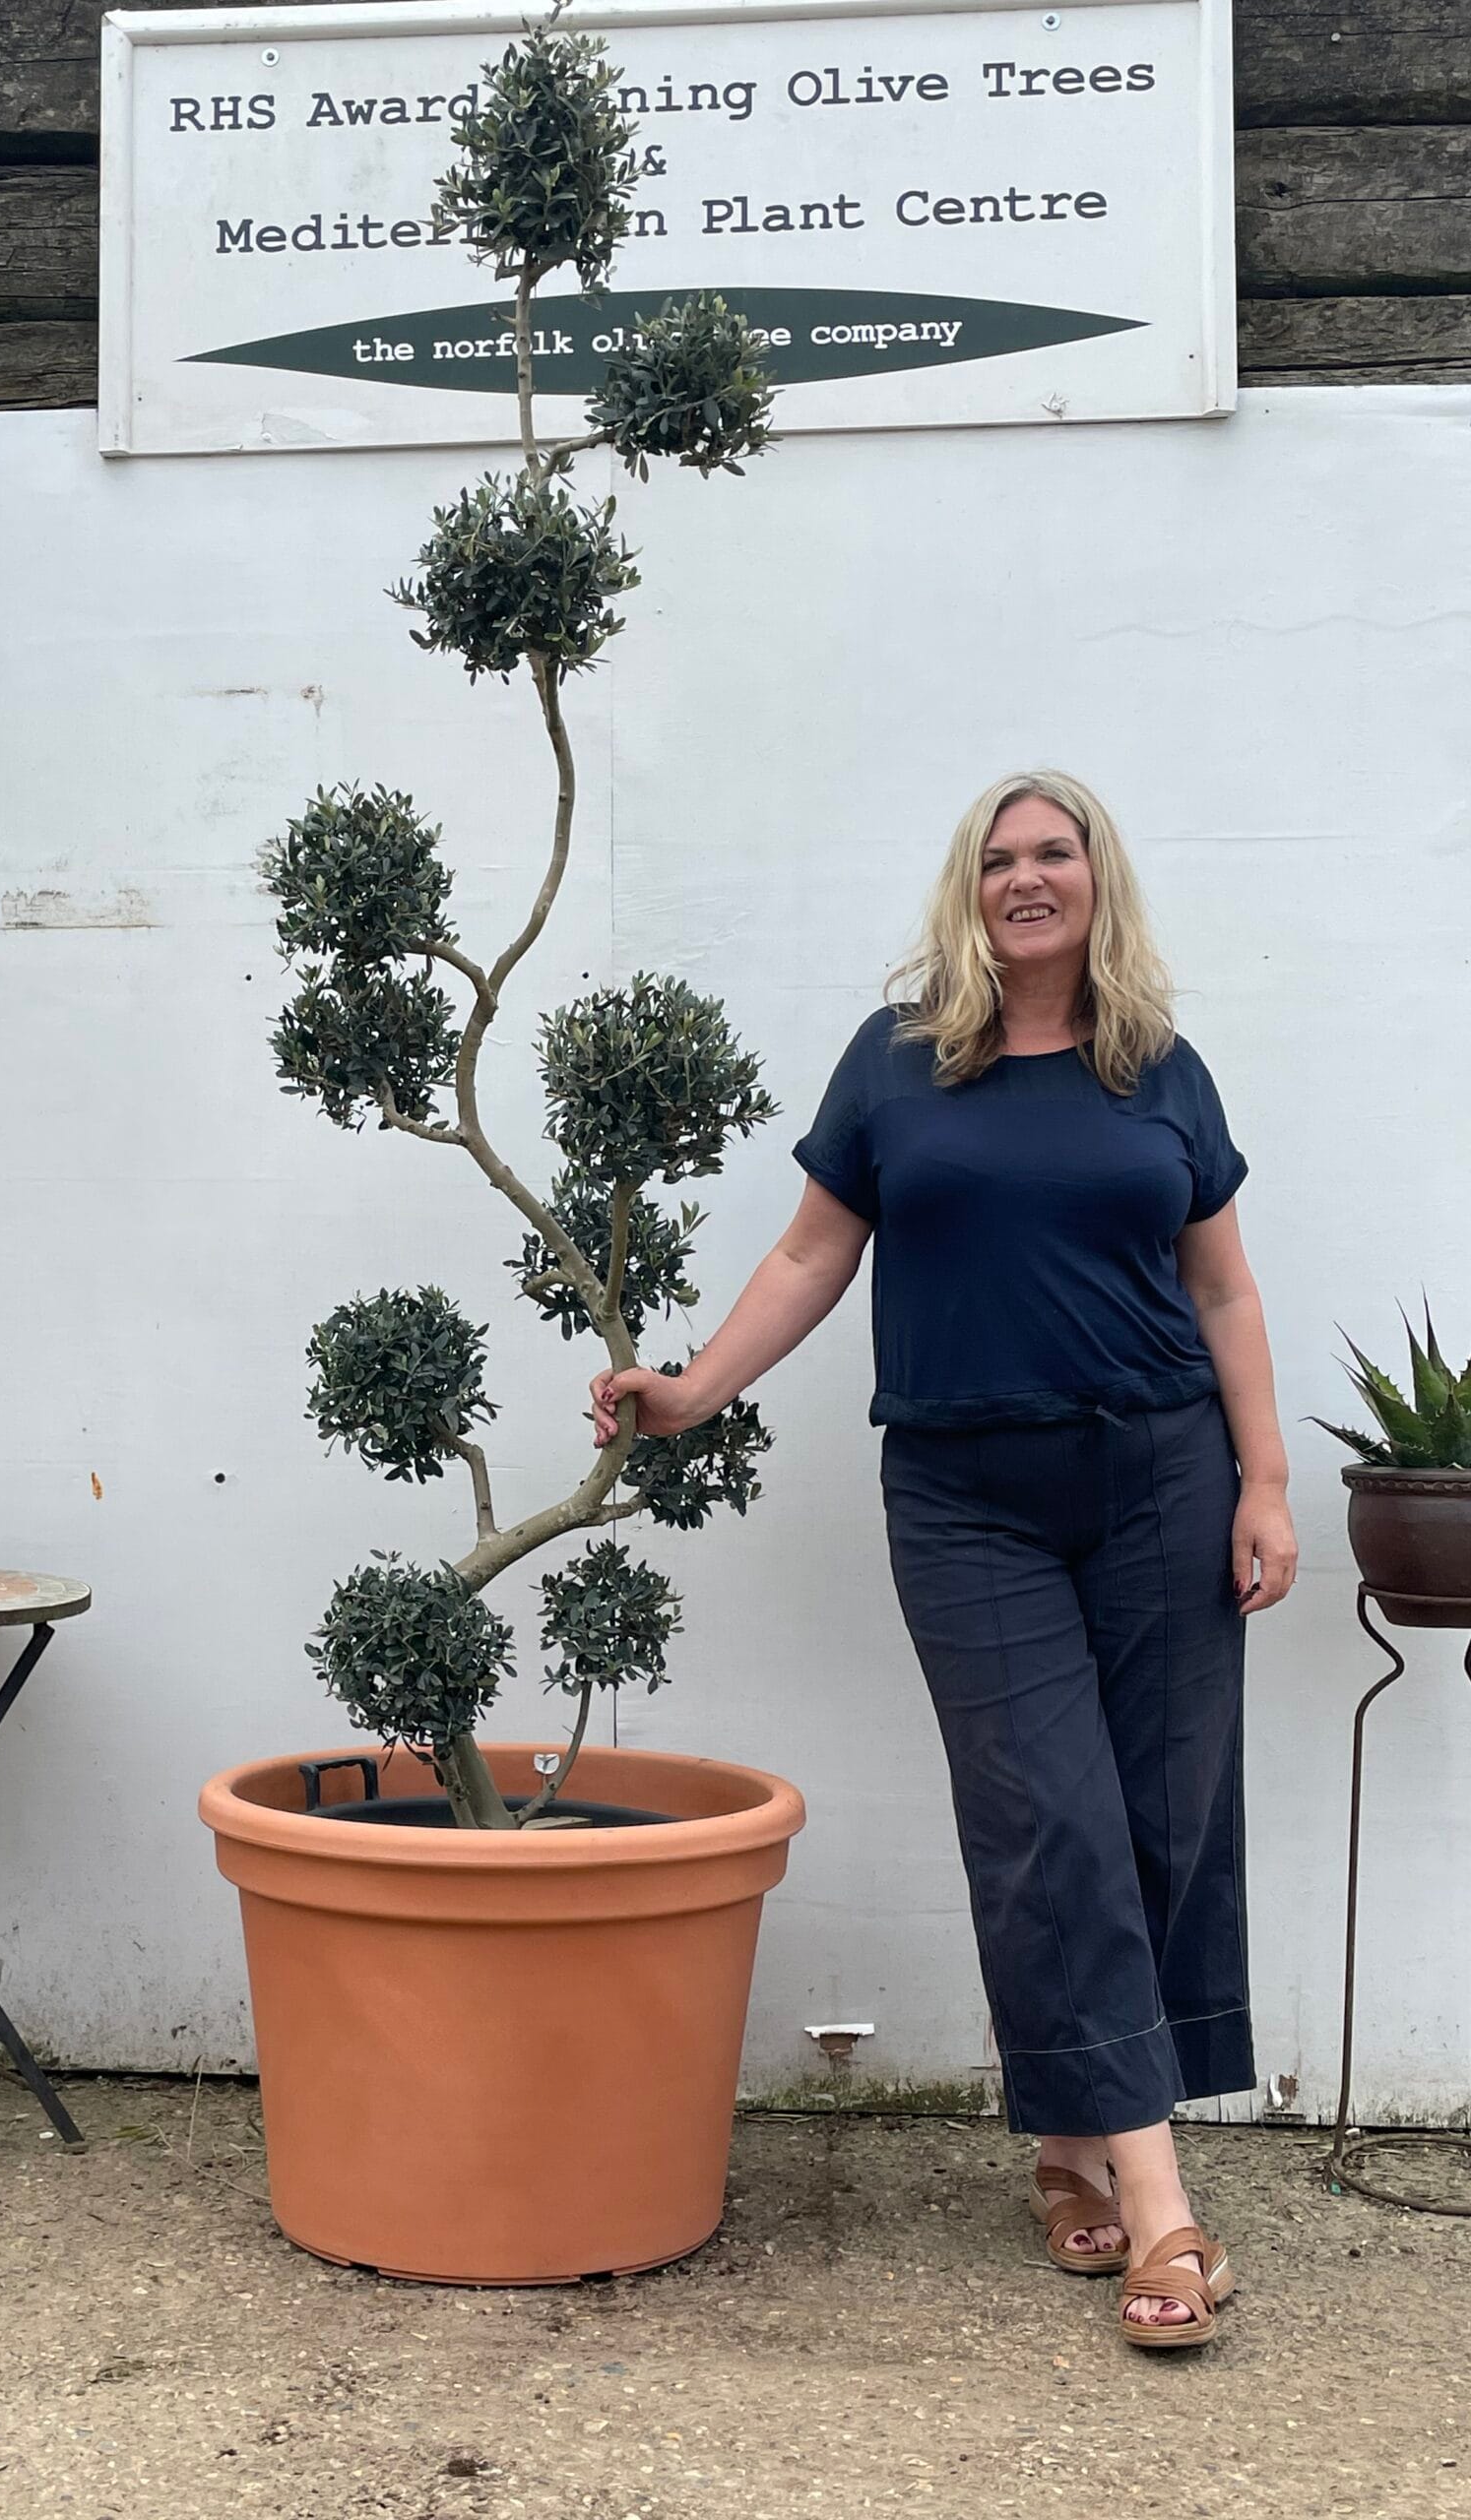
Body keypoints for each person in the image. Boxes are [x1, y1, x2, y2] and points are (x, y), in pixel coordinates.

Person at [591, 770, 1297, 2353]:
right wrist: (692, 1389)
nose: (1026, 879)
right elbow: (811, 1253)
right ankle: (1167, 2214)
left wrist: (1264, 1481)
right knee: (1054, 1818)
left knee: (1164, 1821)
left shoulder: (1158, 1070)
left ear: (1097, 880)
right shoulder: (901, 1061)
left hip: (1163, 1481)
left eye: (1054, 854)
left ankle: (1070, 2143)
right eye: (999, 860)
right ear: (968, 891)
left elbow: (1227, 1294)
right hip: (968, 1497)